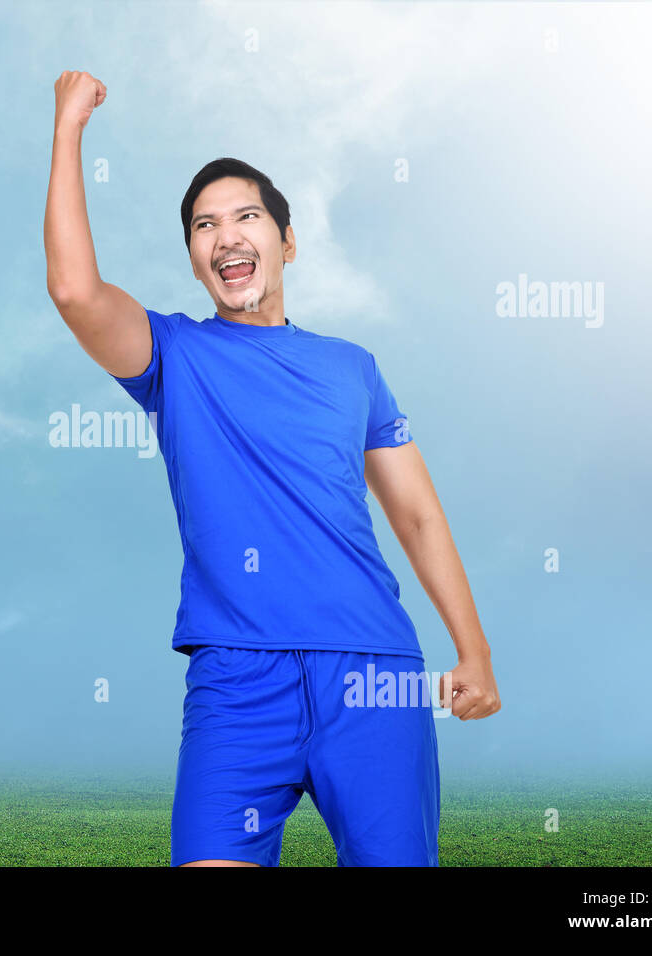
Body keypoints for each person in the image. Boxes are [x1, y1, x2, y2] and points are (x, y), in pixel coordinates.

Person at [44, 70, 500, 867]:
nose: (226, 236)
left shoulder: (352, 367)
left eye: (246, 216)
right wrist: (68, 126)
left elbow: (417, 515)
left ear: (286, 241)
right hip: (235, 679)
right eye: (203, 226)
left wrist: (475, 652)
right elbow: (76, 293)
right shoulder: (173, 356)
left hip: (372, 674)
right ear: (193, 260)